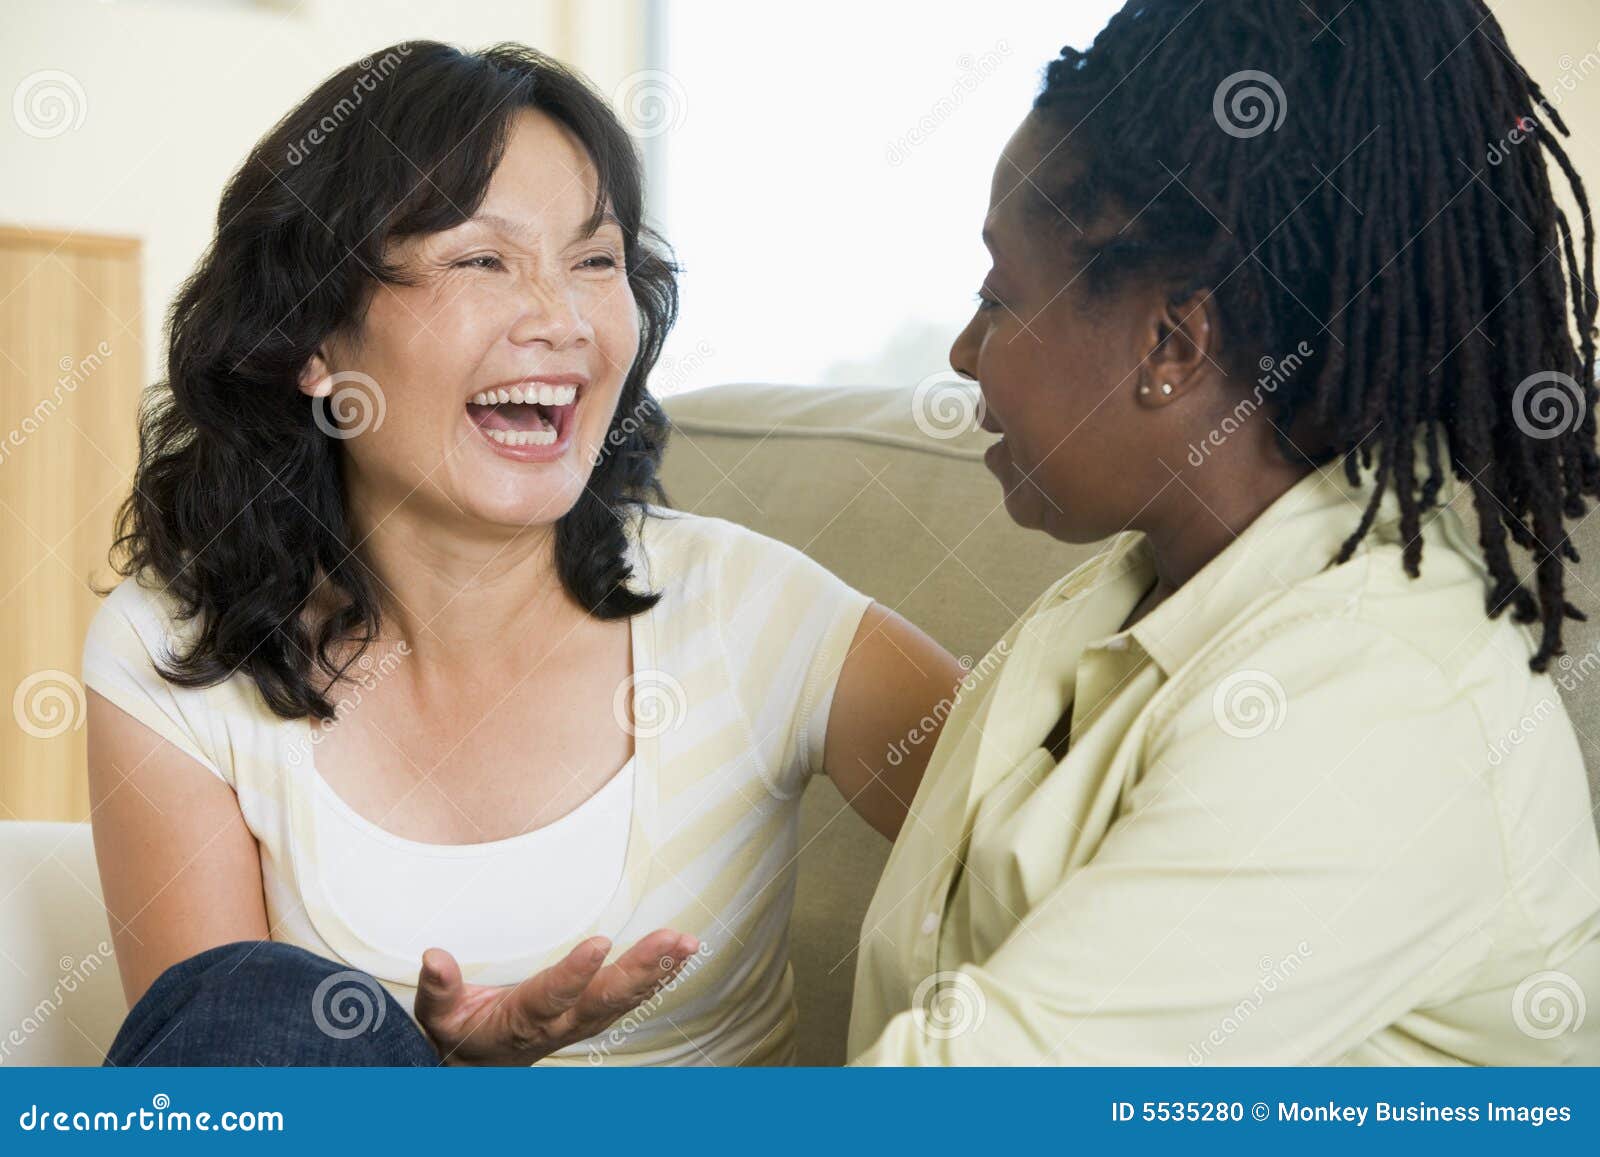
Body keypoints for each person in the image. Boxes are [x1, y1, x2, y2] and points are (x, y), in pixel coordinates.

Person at [84, 40, 961, 1067]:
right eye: (481, 259)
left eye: (595, 262)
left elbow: (1064, 848)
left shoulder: (751, 607)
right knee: (264, 1000)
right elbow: (223, 1063)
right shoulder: (171, 654)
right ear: (312, 338)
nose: (561, 319)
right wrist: (445, 1071)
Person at [848, 0, 1600, 1065]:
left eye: (998, 295)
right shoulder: (1141, 595)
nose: (966, 352)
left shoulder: (1375, 694)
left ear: (1171, 340)